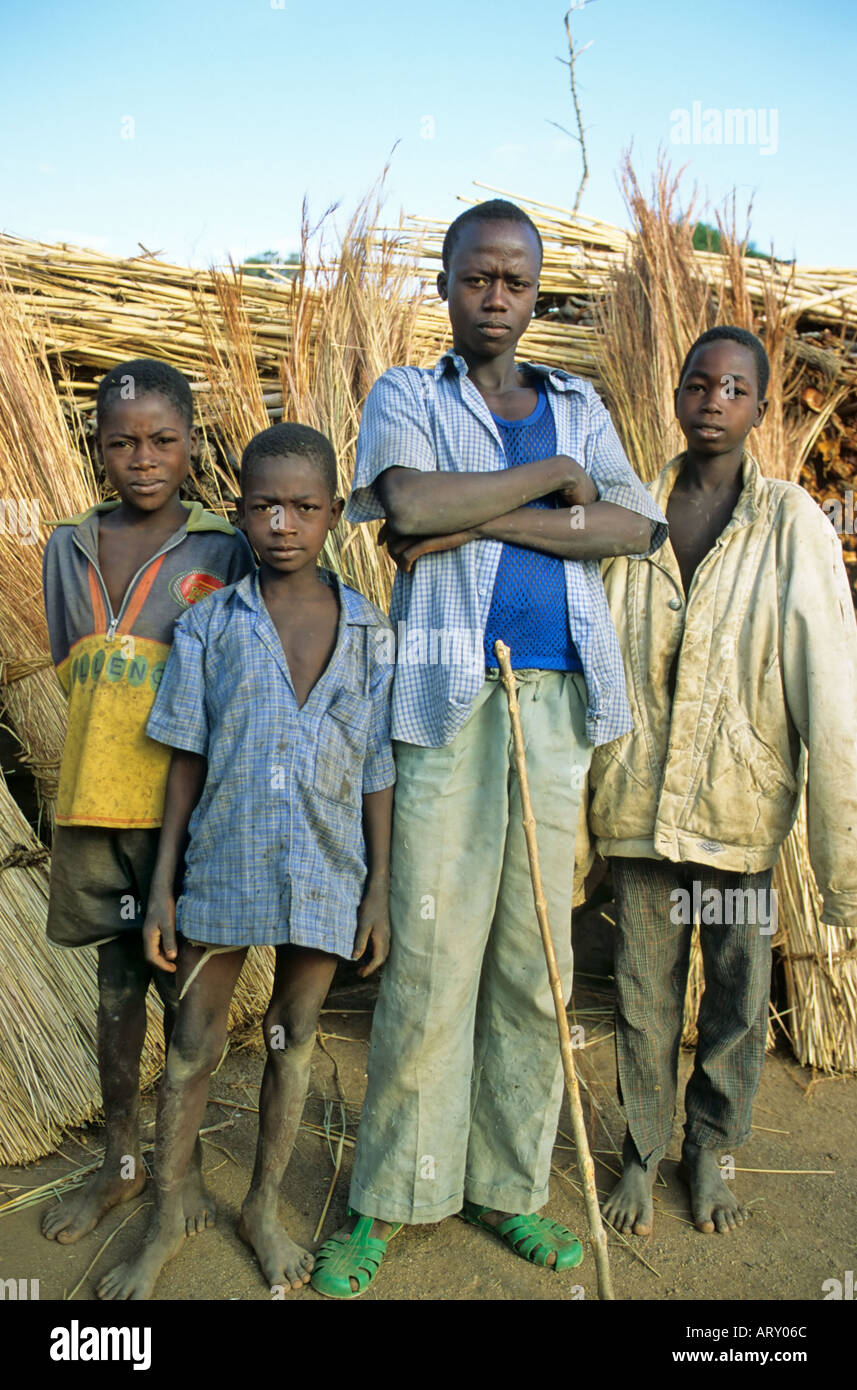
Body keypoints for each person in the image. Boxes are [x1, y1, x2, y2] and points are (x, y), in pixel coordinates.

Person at [310, 199, 668, 1298]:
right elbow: (405, 502)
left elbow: (634, 526)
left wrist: (472, 522)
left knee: (532, 963)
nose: (495, 296)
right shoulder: (406, 394)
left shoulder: (578, 402)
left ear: (536, 292)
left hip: (555, 698)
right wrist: (546, 486)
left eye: (515, 280)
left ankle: (502, 1184)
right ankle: (389, 1193)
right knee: (430, 953)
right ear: (446, 285)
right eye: (476, 278)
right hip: (446, 700)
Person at [96, 423, 396, 1300]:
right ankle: (167, 1211)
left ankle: (262, 1207)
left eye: (304, 507)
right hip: (223, 869)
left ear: (335, 514)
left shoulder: (371, 632)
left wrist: (378, 888)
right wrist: (162, 890)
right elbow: (183, 763)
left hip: (329, 872)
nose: (281, 524)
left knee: (291, 1039)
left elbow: (377, 770)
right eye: (263, 505)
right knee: (190, 1045)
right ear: (239, 510)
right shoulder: (210, 626)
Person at [591, 326, 857, 1237]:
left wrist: (840, 866)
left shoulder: (789, 522)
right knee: (641, 990)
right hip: (637, 810)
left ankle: (713, 1148)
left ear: (756, 406)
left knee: (736, 993)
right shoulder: (632, 512)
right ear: (675, 395)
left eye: (734, 389)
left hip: (740, 817)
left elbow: (830, 687)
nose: (712, 401)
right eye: (698, 384)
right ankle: (641, 1149)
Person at [41, 358, 253, 1245]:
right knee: (117, 990)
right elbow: (71, 662)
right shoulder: (67, 544)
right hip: (96, 806)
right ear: (97, 449)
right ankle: (120, 1166)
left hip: (188, 815)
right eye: (122, 443)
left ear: (192, 443)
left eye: (163, 440)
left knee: (189, 996)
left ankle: (180, 1169)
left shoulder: (225, 547)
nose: (143, 458)